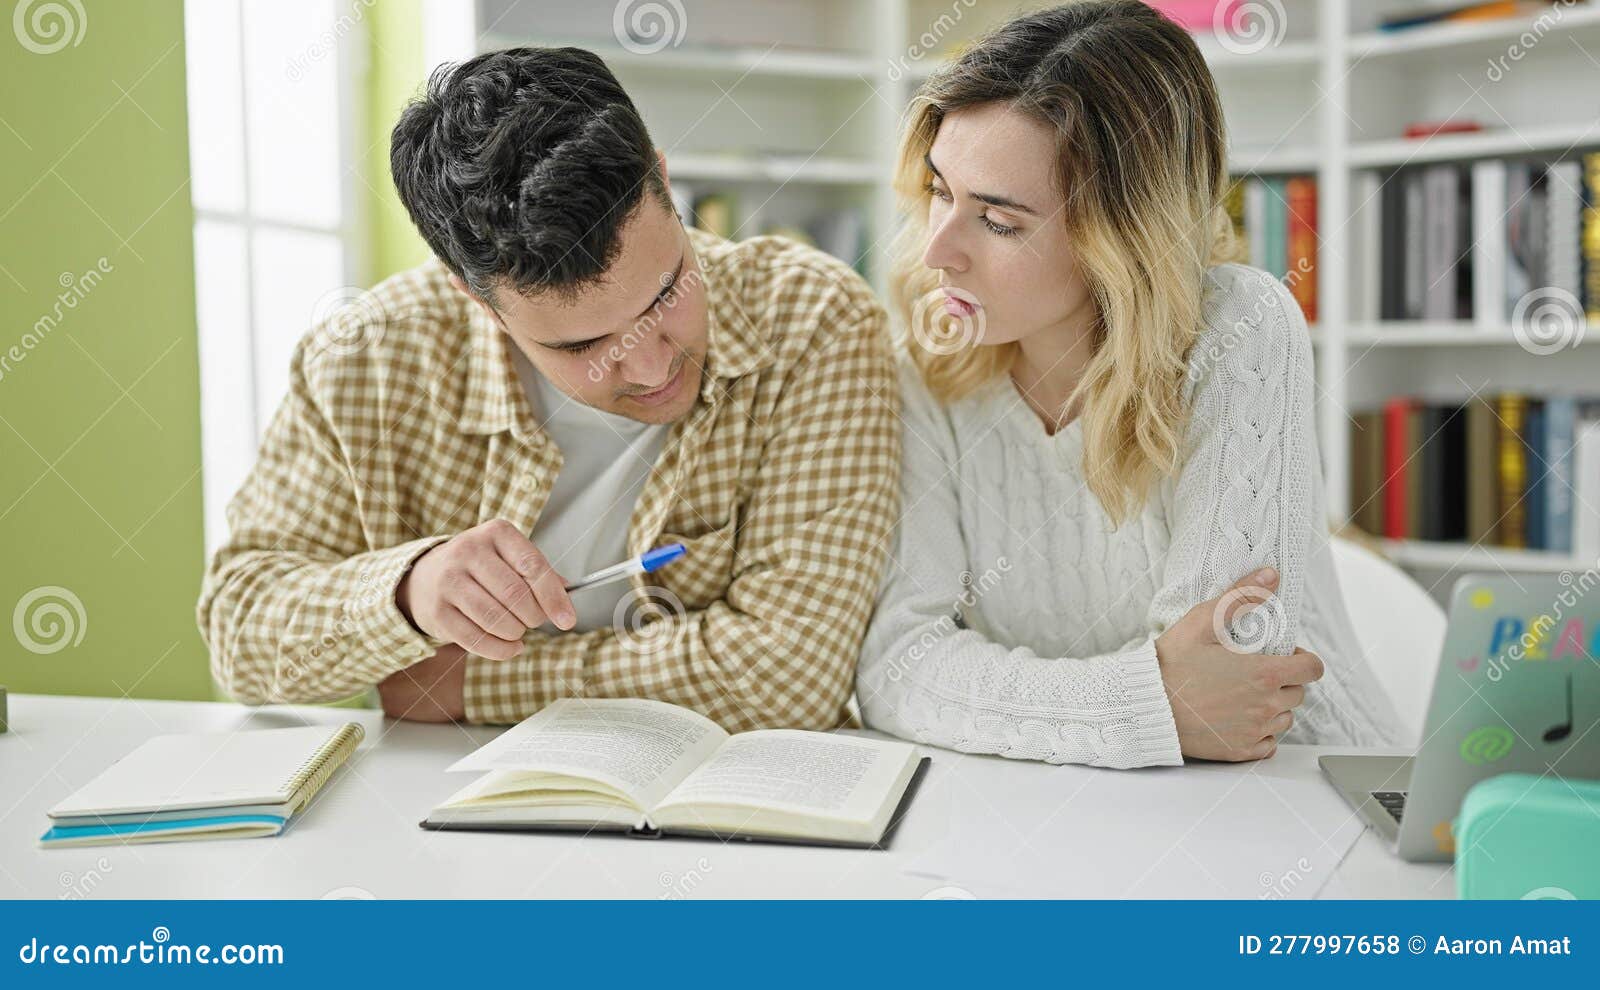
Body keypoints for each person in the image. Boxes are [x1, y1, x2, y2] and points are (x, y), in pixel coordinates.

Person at [197, 47, 899, 729]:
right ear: (473, 298)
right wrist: (410, 592)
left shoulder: (815, 320)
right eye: (584, 346)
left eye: (667, 291)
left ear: (662, 180)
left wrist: (472, 684)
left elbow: (791, 678)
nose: (653, 367)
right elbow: (240, 636)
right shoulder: (364, 362)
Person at [858, 1, 1403, 768]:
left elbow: (1223, 689)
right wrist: (1147, 704)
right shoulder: (930, 358)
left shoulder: (1238, 328)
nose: (937, 251)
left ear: (1121, 235)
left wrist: (1042, 703)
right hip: (1076, 809)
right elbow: (896, 669)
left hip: (1304, 794)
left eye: (1000, 222)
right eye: (941, 191)